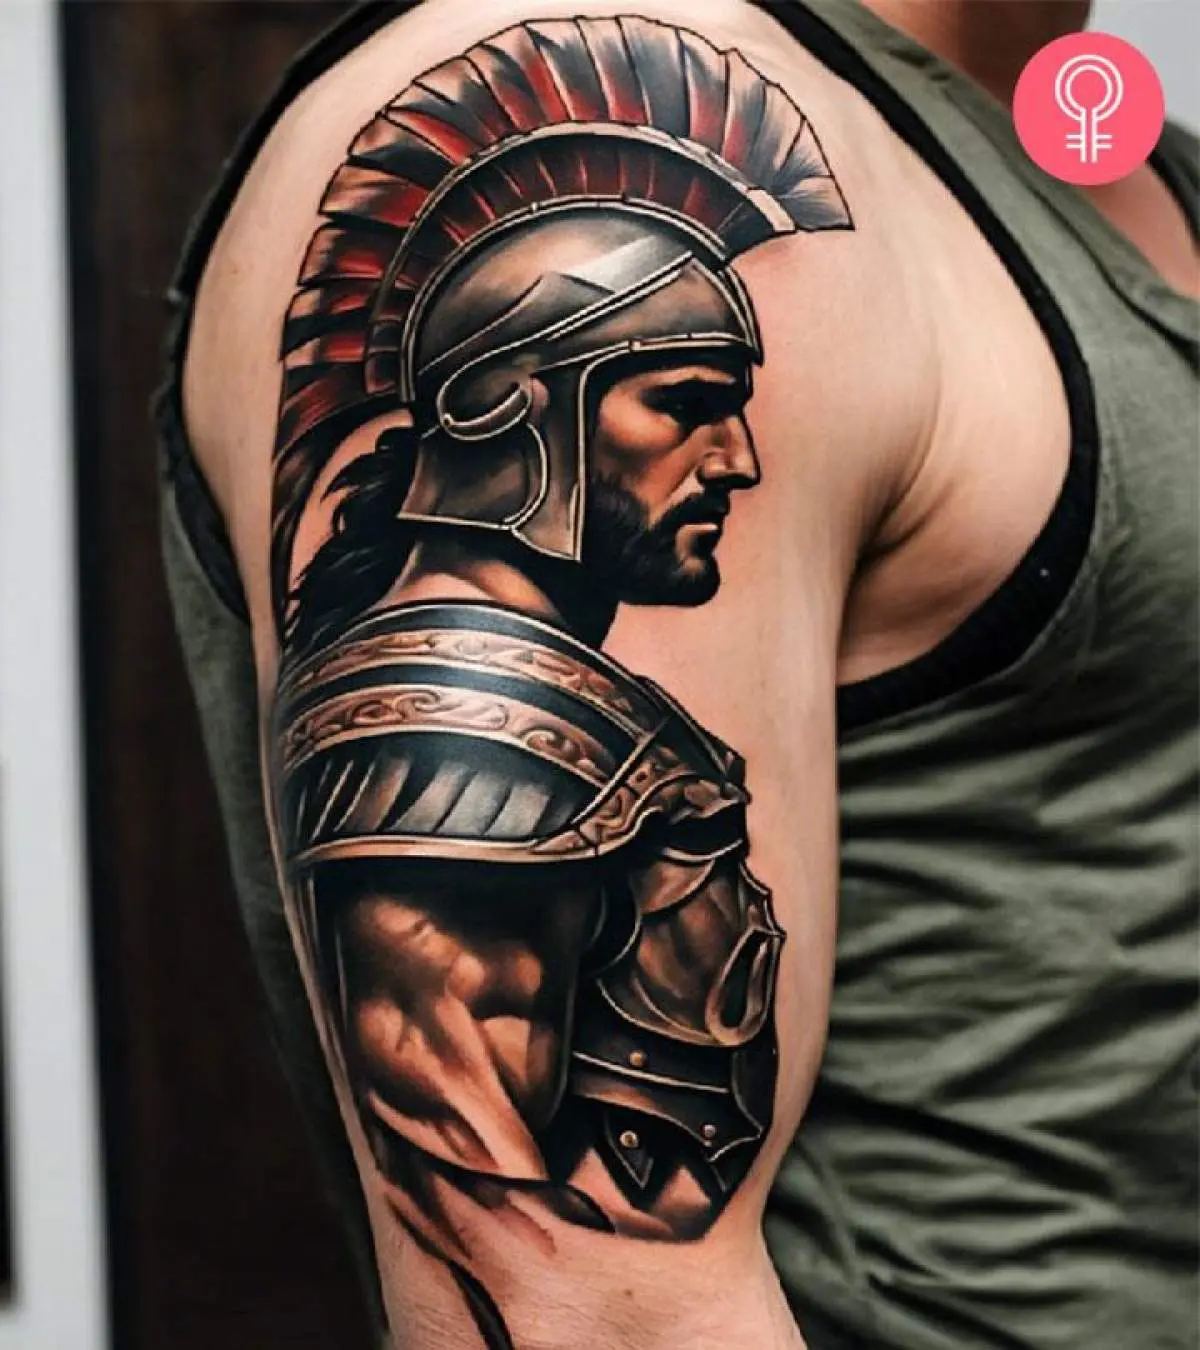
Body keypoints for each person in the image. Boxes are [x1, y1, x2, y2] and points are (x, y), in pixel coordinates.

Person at [159, 1, 1198, 1347]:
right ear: (506, 409)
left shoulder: (1118, 154)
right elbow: (580, 1295)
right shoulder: (620, 73)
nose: (739, 459)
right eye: (690, 403)